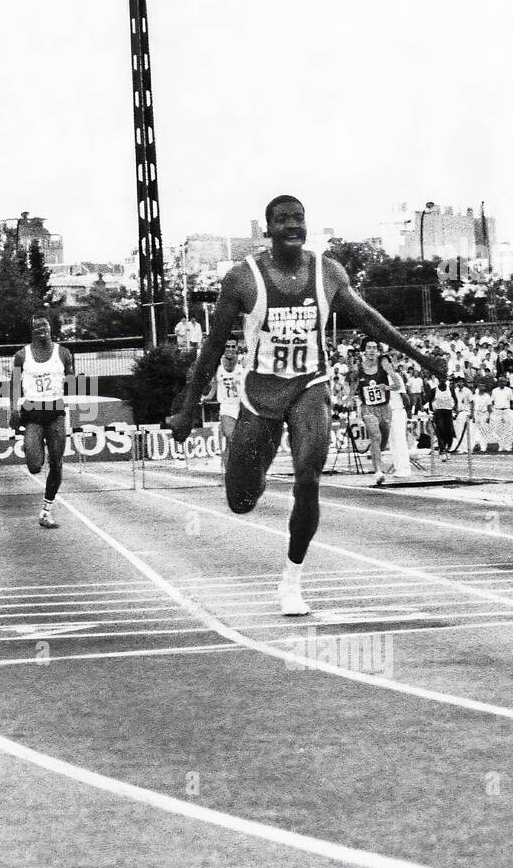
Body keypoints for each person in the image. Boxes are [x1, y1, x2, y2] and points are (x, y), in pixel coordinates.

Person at [168, 195, 447, 615]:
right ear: (269, 229)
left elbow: (369, 318)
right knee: (240, 501)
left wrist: (423, 358)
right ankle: (253, 473)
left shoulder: (328, 272)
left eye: (299, 218)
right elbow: (211, 346)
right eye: (283, 220)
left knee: (309, 478)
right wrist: (189, 407)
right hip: (260, 393)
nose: (292, 226)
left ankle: (291, 581)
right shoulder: (243, 279)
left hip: (310, 387)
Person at [11, 311, 74, 528]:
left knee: (56, 463)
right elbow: (13, 386)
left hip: (55, 411)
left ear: (50, 328)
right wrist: (13, 411)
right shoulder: (21, 355)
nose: (41, 330)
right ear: (32, 331)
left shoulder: (64, 353)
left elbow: (72, 384)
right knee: (34, 466)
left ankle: (46, 511)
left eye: (44, 326)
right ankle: (36, 448)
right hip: (32, 413)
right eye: (37, 327)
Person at [352, 341, 396, 485]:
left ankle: (376, 453)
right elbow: (352, 388)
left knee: (383, 440)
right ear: (364, 351)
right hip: (368, 408)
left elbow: (398, 385)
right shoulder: (358, 369)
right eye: (368, 348)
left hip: (384, 408)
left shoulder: (384, 365)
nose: (371, 351)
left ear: (378, 350)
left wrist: (387, 387)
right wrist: (347, 400)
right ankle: (378, 471)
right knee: (375, 436)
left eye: (374, 348)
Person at [204, 340, 245, 471]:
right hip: (227, 408)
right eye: (227, 346)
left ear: (237, 348)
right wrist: (206, 398)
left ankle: (230, 469)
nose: (230, 349)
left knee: (235, 442)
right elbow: (213, 388)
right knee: (231, 437)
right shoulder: (218, 367)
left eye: (233, 346)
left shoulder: (242, 365)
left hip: (242, 407)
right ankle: (231, 472)